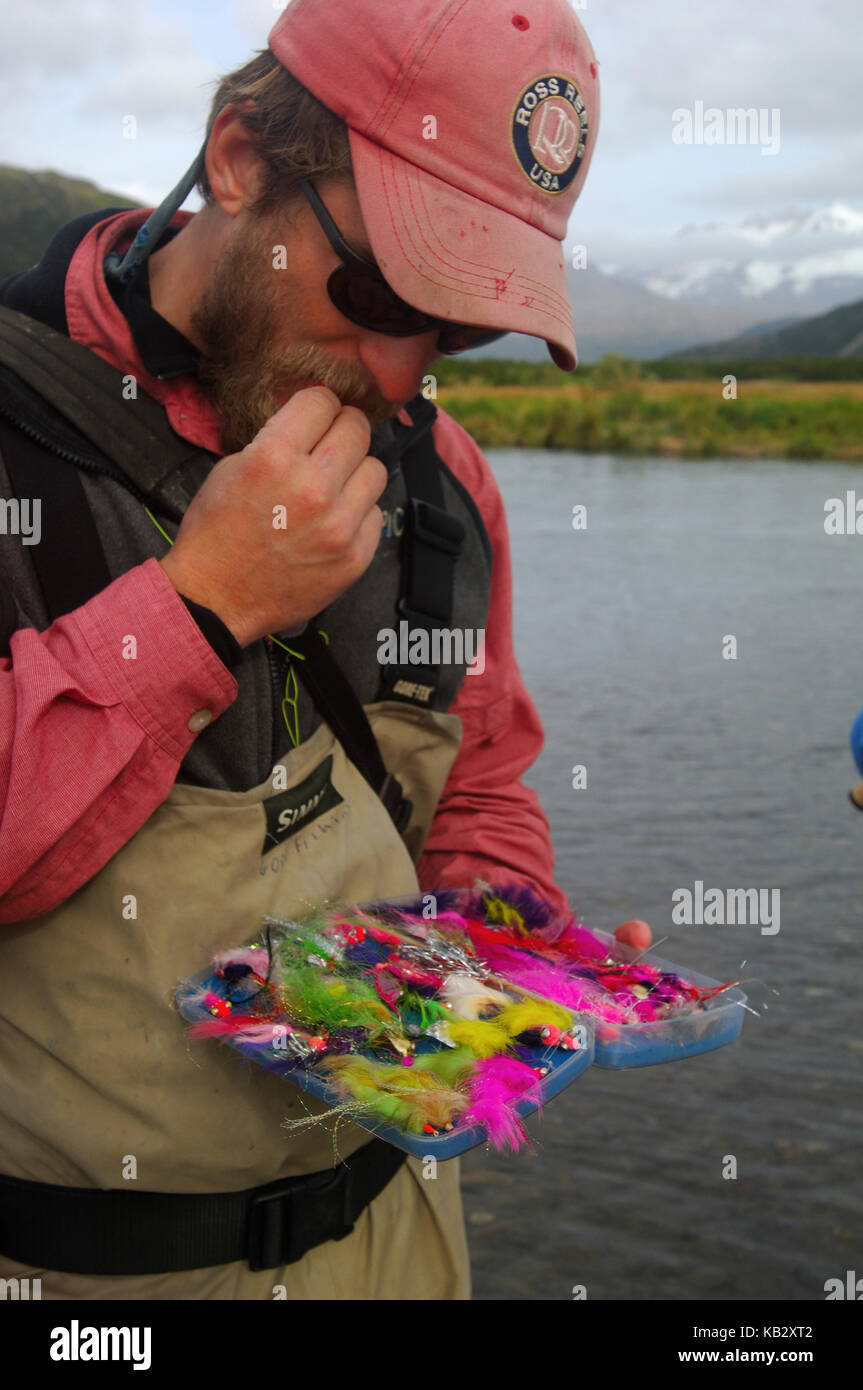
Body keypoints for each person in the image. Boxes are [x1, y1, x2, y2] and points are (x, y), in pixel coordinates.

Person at [0, 0, 645, 1299]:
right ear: (240, 154)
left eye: (456, 331)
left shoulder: (448, 486)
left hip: (401, 1240)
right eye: (384, 293)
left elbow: (477, 777)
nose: (402, 375)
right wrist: (197, 607)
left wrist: (509, 944)